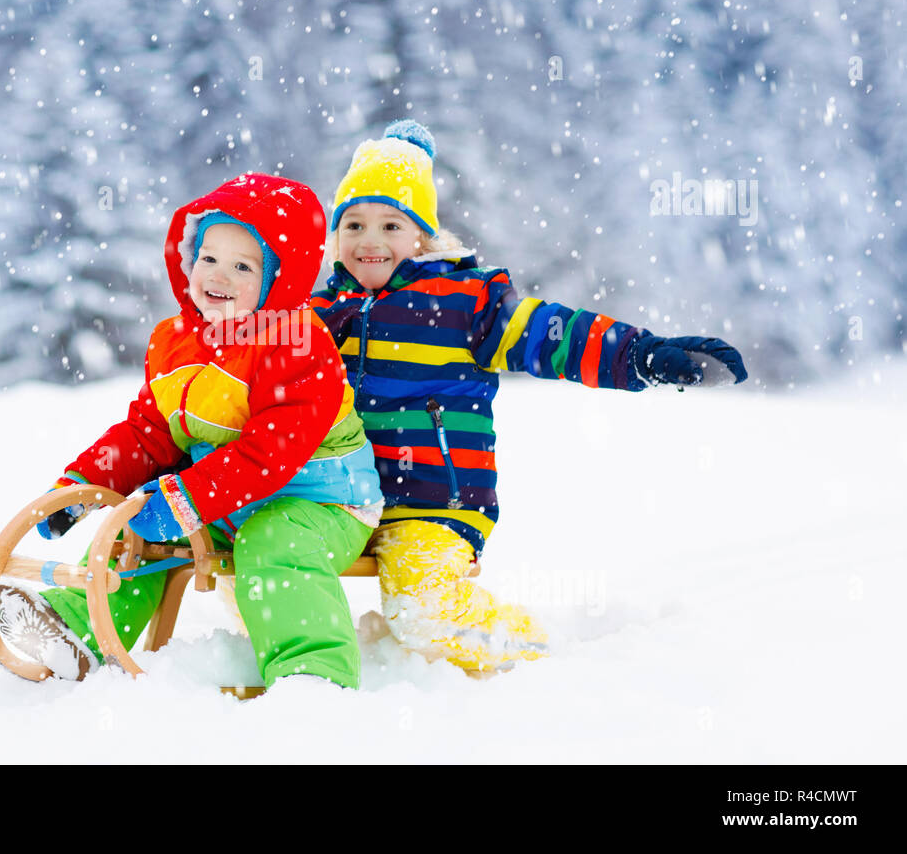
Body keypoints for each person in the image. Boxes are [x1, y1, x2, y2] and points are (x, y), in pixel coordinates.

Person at [312, 120, 747, 673]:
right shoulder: (321, 313)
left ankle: (530, 650)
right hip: (339, 497)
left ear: (422, 235)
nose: (369, 240)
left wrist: (643, 356)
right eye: (353, 223)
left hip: (431, 504)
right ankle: (290, 660)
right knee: (261, 554)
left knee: (424, 614)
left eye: (390, 224)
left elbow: (555, 335)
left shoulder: (466, 303)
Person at [0, 173, 384, 689]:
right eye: (209, 258)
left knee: (276, 542)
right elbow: (149, 432)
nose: (218, 277)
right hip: (226, 497)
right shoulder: (177, 343)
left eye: (243, 266)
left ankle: (313, 675)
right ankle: (74, 628)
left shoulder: (297, 347)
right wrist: (83, 483)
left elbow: (271, 453)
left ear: (278, 280)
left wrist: (187, 500)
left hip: (324, 501)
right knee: (135, 532)